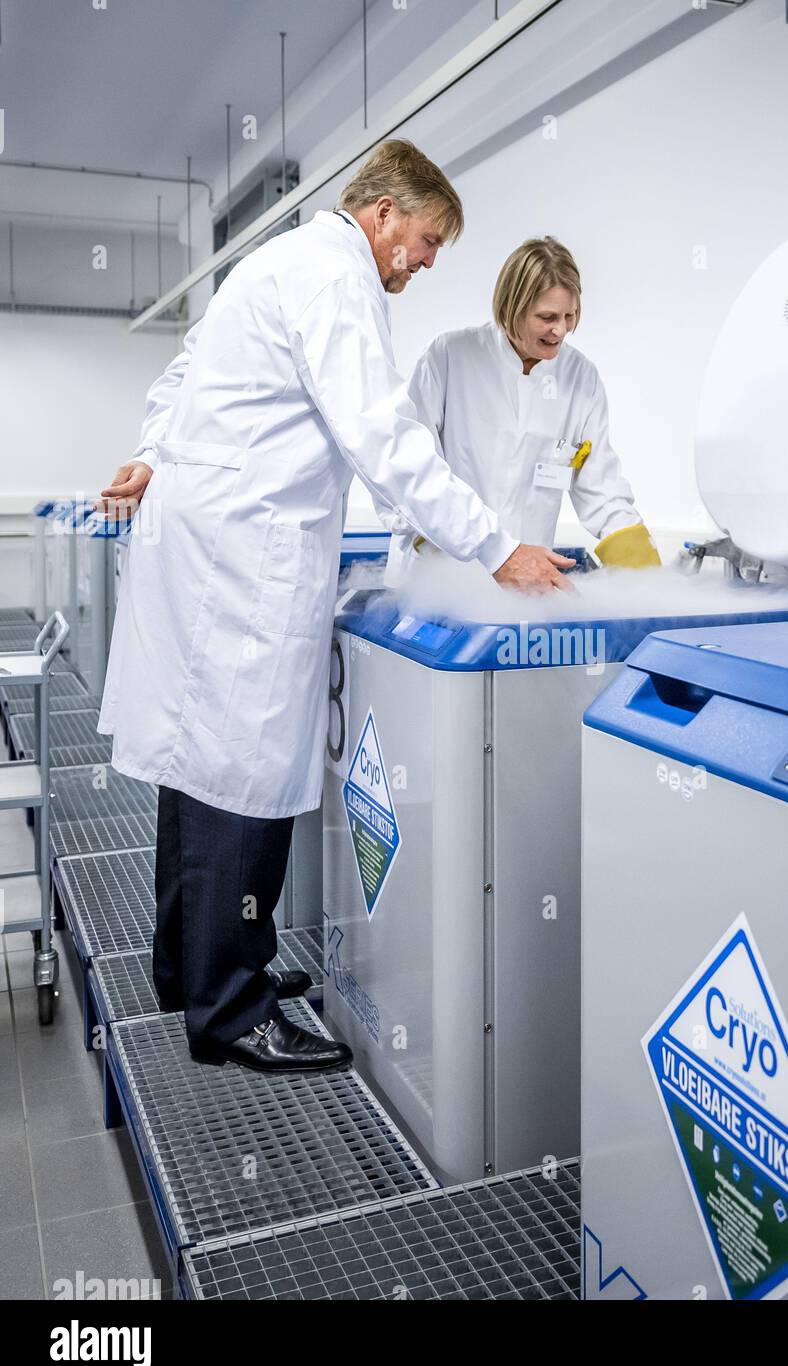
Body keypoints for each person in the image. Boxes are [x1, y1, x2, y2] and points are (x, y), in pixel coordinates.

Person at [96, 140, 574, 1074]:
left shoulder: (272, 265)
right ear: (385, 215)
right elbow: (382, 437)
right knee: (241, 782)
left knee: (199, 774)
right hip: (244, 560)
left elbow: (184, 375)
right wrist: (495, 546)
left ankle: (187, 972)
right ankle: (230, 1009)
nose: (429, 260)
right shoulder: (335, 278)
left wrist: (152, 450)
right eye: (428, 240)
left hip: (215, 546)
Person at [384, 236, 660, 584]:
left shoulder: (580, 379)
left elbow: (602, 490)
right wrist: (458, 553)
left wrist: (652, 580)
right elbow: (409, 465)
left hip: (525, 587)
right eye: (546, 317)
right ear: (511, 308)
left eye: (569, 316)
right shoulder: (451, 357)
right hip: (438, 578)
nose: (560, 330)